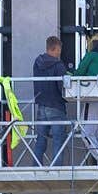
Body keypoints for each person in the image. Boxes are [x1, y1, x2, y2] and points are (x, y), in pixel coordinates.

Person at [30, 36, 68, 165]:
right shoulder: (58, 65)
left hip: (41, 106)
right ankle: (56, 168)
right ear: (56, 49)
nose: (59, 53)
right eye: (59, 50)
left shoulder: (37, 62)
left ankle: (36, 167)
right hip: (56, 106)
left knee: (41, 139)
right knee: (58, 140)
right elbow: (62, 88)